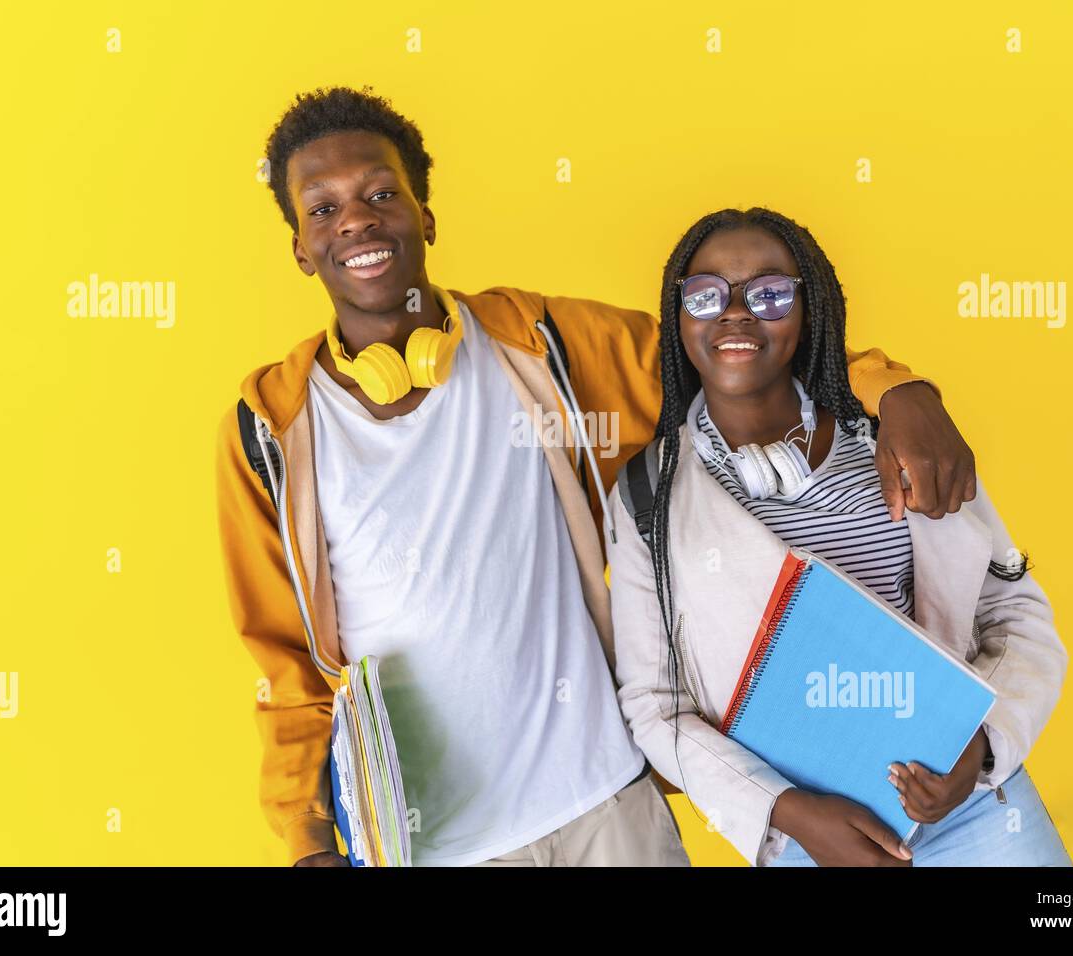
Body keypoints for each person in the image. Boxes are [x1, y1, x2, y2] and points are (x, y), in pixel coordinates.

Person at [214, 87, 978, 867]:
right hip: (431, 845)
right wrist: (308, 841)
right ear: (301, 249)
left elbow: (726, 347)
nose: (356, 220)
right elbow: (287, 663)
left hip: (609, 805)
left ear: (426, 216)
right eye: (323, 209)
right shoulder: (270, 432)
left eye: (382, 193)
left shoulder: (541, 346)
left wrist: (898, 392)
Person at [607, 206, 1073, 867]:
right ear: (680, 314)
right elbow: (656, 706)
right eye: (706, 294)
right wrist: (789, 814)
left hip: (974, 806)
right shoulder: (646, 495)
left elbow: (1017, 612)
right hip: (815, 841)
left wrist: (981, 748)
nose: (735, 313)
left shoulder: (901, 440)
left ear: (809, 313)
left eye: (770, 293)